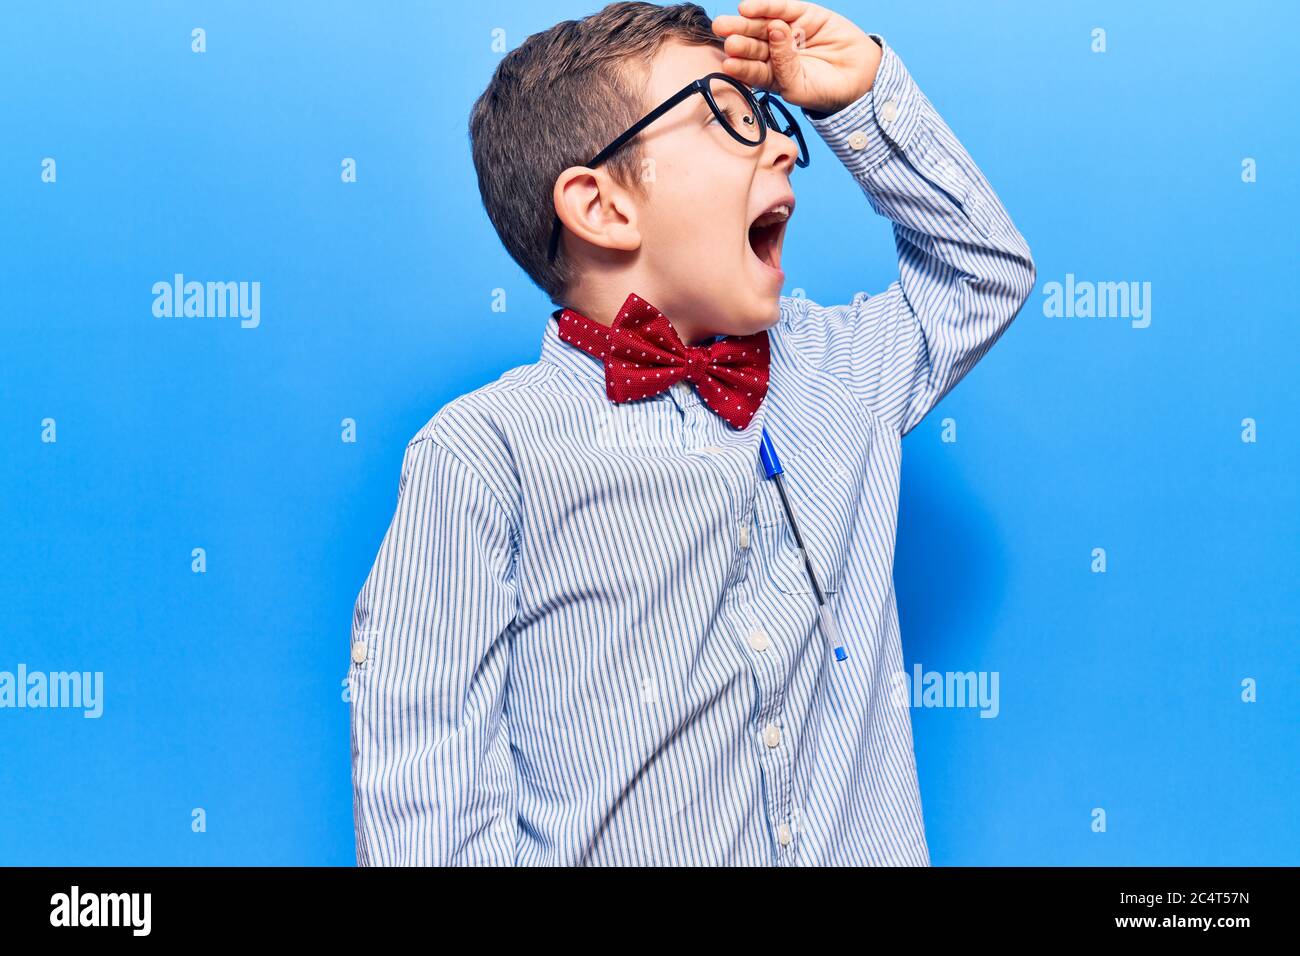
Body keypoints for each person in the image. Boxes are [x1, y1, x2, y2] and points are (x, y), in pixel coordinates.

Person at [349, 0, 1036, 865]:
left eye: (773, 120)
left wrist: (860, 103)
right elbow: (427, 800)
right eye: (731, 119)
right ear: (601, 207)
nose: (786, 145)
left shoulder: (836, 375)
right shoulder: (485, 456)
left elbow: (983, 273)